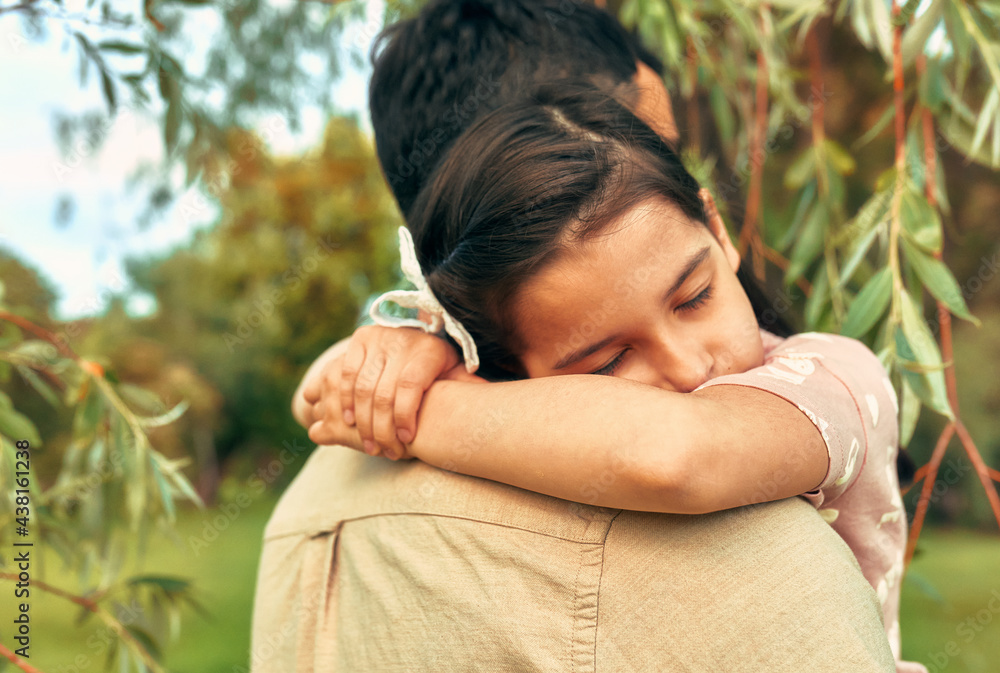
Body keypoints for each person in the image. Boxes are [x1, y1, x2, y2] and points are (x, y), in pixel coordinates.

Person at [253, 1, 897, 670]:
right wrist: (411, 349)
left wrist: (419, 406)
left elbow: (675, 451)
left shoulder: (836, 377)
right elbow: (321, 394)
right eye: (609, 359)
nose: (685, 367)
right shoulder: (509, 388)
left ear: (715, 229)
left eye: (695, 295)